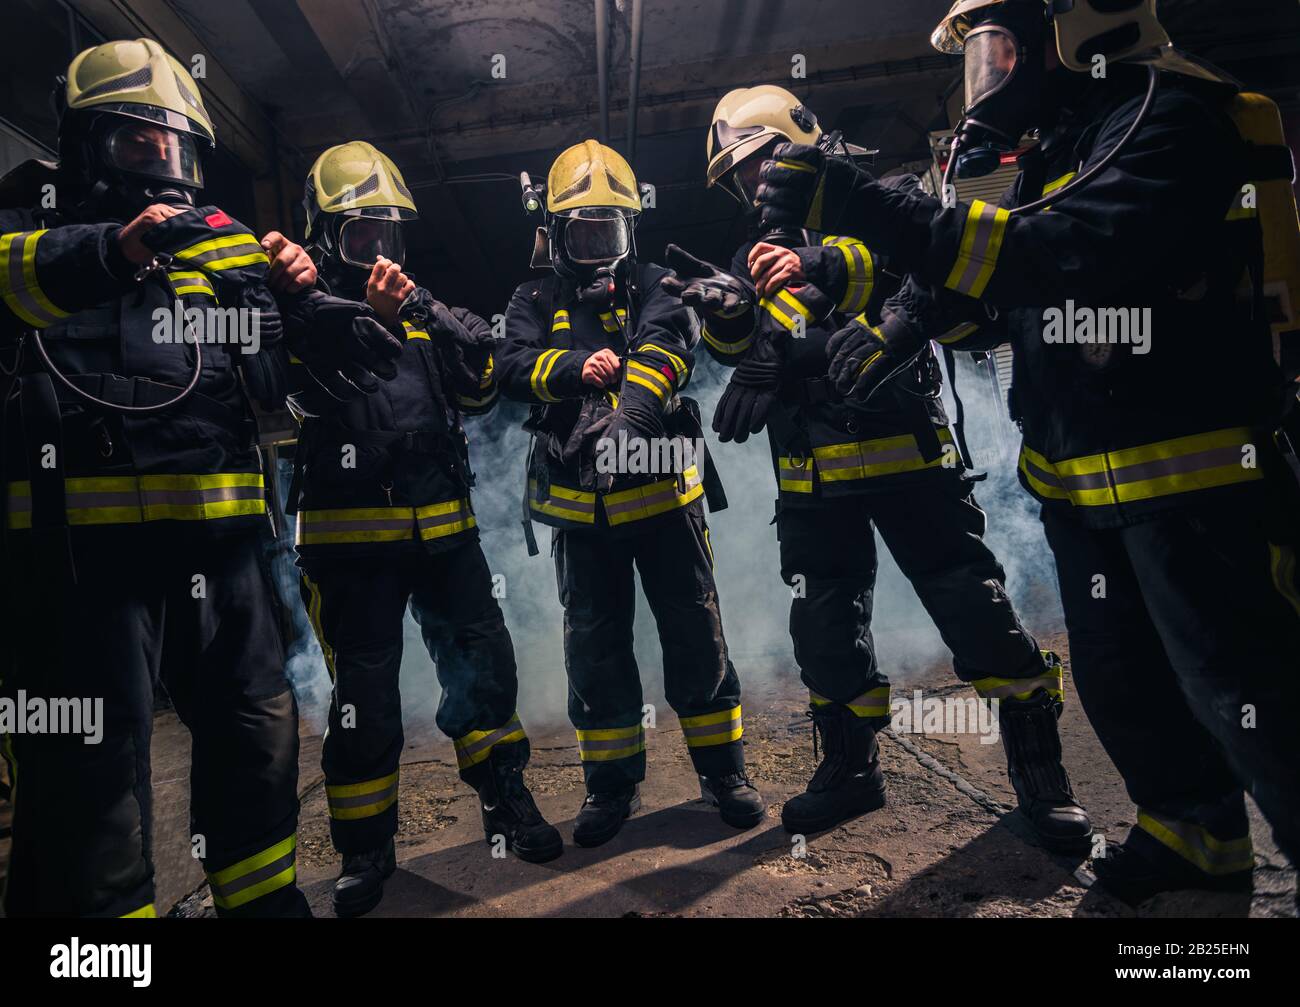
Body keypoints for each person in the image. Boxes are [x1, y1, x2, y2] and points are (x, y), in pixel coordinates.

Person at [754, 0, 1300, 901]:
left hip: (1198, 477)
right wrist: (906, 321)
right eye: (980, 55)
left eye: (999, 46)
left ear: (1078, 23)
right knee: (1128, 685)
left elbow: (1059, 252)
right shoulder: (1066, 141)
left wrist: (857, 205)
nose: (988, 75)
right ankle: (1191, 838)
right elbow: (993, 291)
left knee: (1259, 698)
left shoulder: (1169, 116)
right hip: (1082, 482)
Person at [0, 38, 399, 916]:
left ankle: (262, 905)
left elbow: (269, 381)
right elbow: (16, 283)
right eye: (141, 144)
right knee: (91, 776)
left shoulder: (215, 254)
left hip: (224, 553)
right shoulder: (26, 220)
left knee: (258, 736)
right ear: (87, 145)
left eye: (177, 149)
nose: (165, 169)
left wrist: (301, 303)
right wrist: (113, 252)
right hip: (77, 565)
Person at [663, 84, 1091, 849]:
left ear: (804, 144)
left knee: (978, 614)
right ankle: (853, 772)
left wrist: (808, 279)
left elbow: (905, 277)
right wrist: (732, 321)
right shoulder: (746, 255)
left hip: (910, 466)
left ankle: (1040, 771)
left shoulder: (883, 198)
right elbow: (748, 342)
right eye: (740, 177)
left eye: (761, 164)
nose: (753, 186)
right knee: (825, 636)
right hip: (812, 482)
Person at [287, 141, 561, 917]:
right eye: (359, 236)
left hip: (445, 535)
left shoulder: (419, 312)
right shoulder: (306, 317)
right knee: (363, 702)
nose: (378, 253)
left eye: (389, 236)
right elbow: (298, 397)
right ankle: (365, 849)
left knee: (483, 672)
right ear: (324, 237)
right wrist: (364, 319)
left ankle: (506, 800)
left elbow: (479, 388)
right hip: (352, 550)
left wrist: (440, 323)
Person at [496, 140, 765, 847]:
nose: (597, 249)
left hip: (665, 502)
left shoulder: (654, 281)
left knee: (695, 631)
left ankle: (724, 772)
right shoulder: (532, 297)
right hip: (580, 518)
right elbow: (511, 364)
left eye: (608, 232)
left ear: (629, 229)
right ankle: (611, 787)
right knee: (596, 649)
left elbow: (670, 338)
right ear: (555, 233)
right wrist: (579, 367)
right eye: (583, 233)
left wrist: (634, 410)